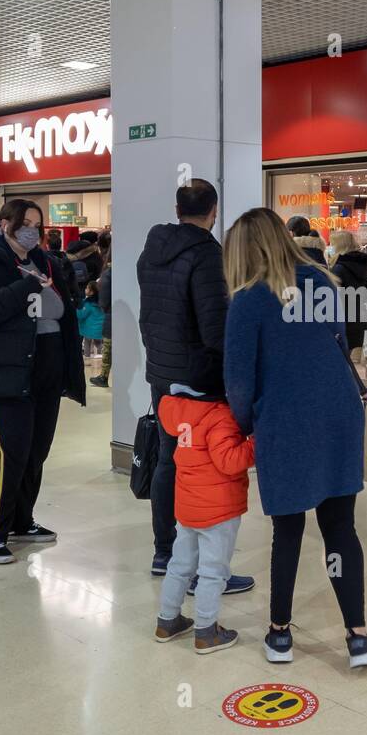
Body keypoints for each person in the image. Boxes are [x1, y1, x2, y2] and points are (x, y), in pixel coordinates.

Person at [224, 207, 367, 669]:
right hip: (337, 413)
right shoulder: (325, 283)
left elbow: (238, 379)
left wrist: (244, 424)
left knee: (288, 529)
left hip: (285, 420)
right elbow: (337, 343)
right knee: (340, 528)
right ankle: (358, 637)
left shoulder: (249, 299)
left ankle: (279, 634)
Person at [0, 199, 85, 564]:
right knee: (6, 456)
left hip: (43, 372)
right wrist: (20, 290)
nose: (31, 231)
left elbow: (60, 309)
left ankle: (22, 520)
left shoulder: (44, 261)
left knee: (33, 453)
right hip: (1, 375)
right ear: (4, 224)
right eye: (24, 223)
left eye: (37, 226)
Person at [136, 178, 252, 594]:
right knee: (206, 467)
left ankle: (165, 554)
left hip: (162, 374)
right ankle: (202, 568)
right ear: (214, 211)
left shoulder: (152, 251)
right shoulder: (206, 256)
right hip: (198, 378)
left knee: (170, 460)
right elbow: (215, 328)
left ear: (177, 207)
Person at [152, 384, 255, 653]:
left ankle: (167, 619)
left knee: (180, 565)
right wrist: (255, 443)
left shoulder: (181, 413)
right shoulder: (219, 415)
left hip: (188, 506)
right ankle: (206, 631)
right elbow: (229, 461)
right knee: (213, 572)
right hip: (218, 509)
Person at [328, 230, 367, 359]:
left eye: (332, 244)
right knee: (345, 359)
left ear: (339, 245)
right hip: (358, 321)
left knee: (339, 361)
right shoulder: (362, 266)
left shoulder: (338, 268)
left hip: (342, 321)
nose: (330, 247)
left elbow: (330, 296)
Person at [90, 261, 112, 388]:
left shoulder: (108, 274)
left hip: (110, 315)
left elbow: (104, 301)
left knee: (108, 349)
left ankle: (104, 376)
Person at [77, 279, 105, 357]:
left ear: (91, 292)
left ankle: (87, 356)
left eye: (87, 288)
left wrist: (77, 310)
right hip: (99, 329)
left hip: (89, 330)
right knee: (98, 343)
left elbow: (81, 315)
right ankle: (103, 356)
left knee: (87, 342)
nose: (85, 289)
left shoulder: (88, 304)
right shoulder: (101, 302)